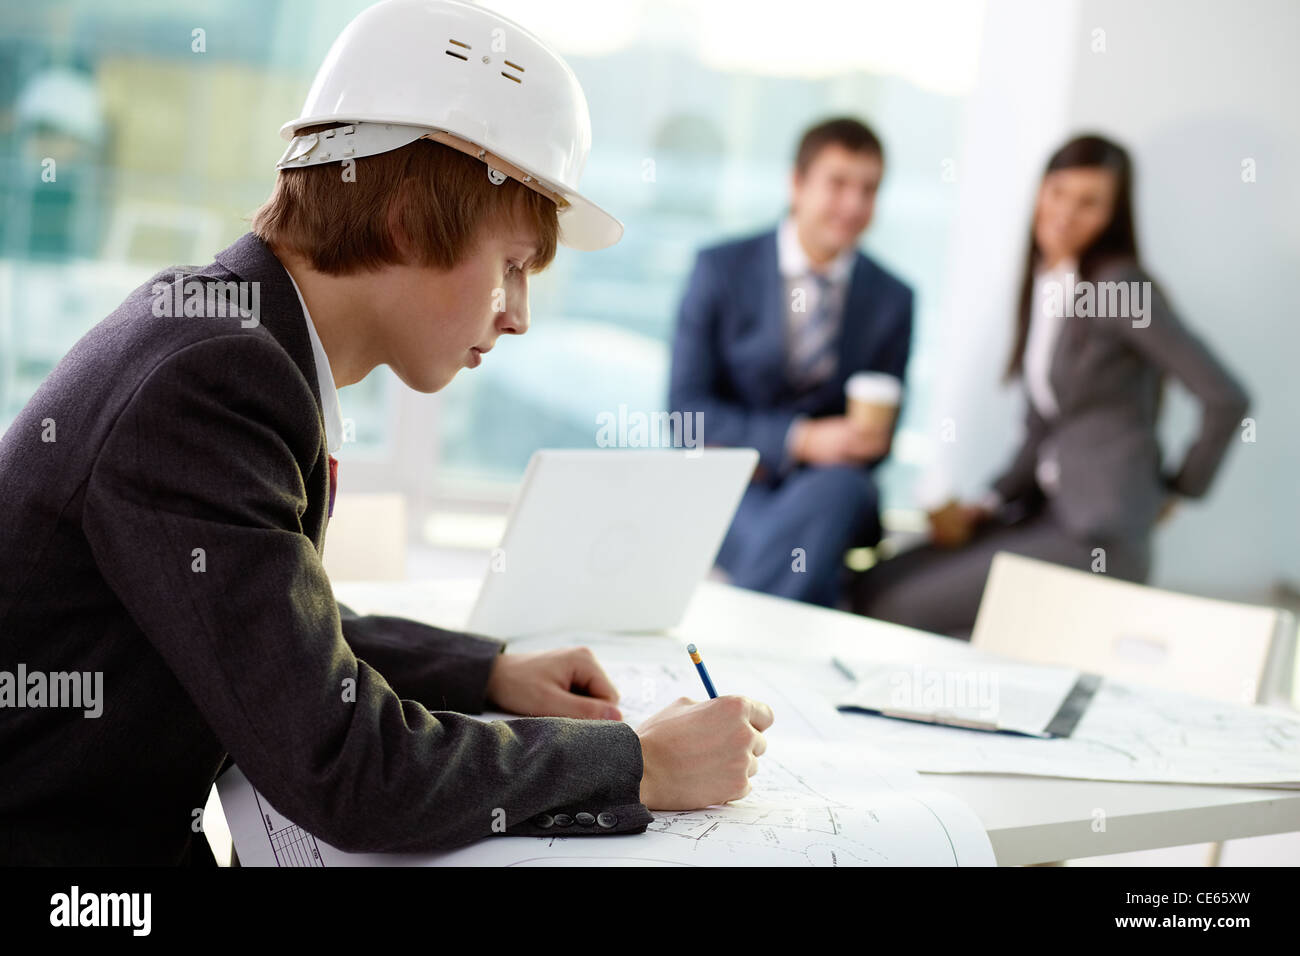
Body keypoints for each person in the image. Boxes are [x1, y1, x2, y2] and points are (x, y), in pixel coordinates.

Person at [0, 0, 773, 865]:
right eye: (512, 267)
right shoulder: (211, 384)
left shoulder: (230, 337)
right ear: (408, 220)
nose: (518, 316)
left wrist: (487, 672)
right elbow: (346, 768)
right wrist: (637, 762)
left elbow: (267, 622)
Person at [852, 134, 1250, 637]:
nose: (1065, 213)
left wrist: (1175, 489)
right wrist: (991, 501)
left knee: (899, 606)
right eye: (1058, 192)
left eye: (1090, 203)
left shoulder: (1119, 288)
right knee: (870, 583)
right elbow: (1046, 421)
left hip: (1095, 534)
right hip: (1043, 516)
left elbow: (1225, 396)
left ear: (1114, 215)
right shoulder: (1051, 282)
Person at [669, 117, 914, 608]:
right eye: (838, 184)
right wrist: (800, 440)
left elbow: (882, 442)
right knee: (802, 556)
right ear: (797, 184)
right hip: (735, 482)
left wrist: (858, 441)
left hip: (835, 488)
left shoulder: (892, 298)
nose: (854, 205)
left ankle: (732, 655)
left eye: (868, 189)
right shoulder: (721, 269)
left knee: (834, 494)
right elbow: (684, 417)